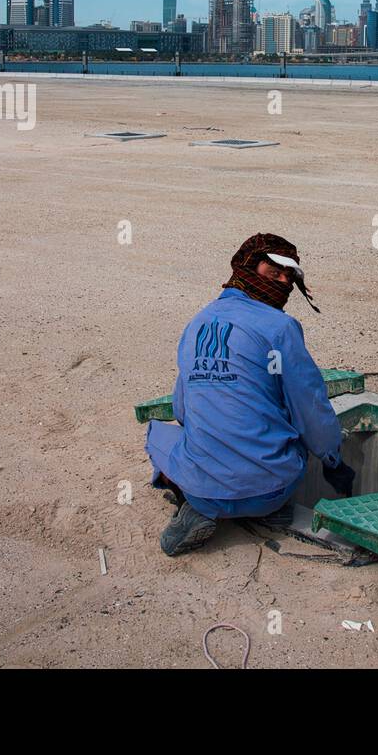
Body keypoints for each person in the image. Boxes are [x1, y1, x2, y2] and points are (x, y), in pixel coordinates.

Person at [146, 234, 355, 556]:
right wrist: (333, 461)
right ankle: (269, 509)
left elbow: (182, 409)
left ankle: (199, 507)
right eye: (274, 272)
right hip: (272, 488)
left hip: (203, 490)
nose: (284, 282)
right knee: (292, 430)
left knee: (161, 437)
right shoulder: (280, 327)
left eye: (289, 276)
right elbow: (311, 409)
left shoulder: (196, 323)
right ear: (247, 266)